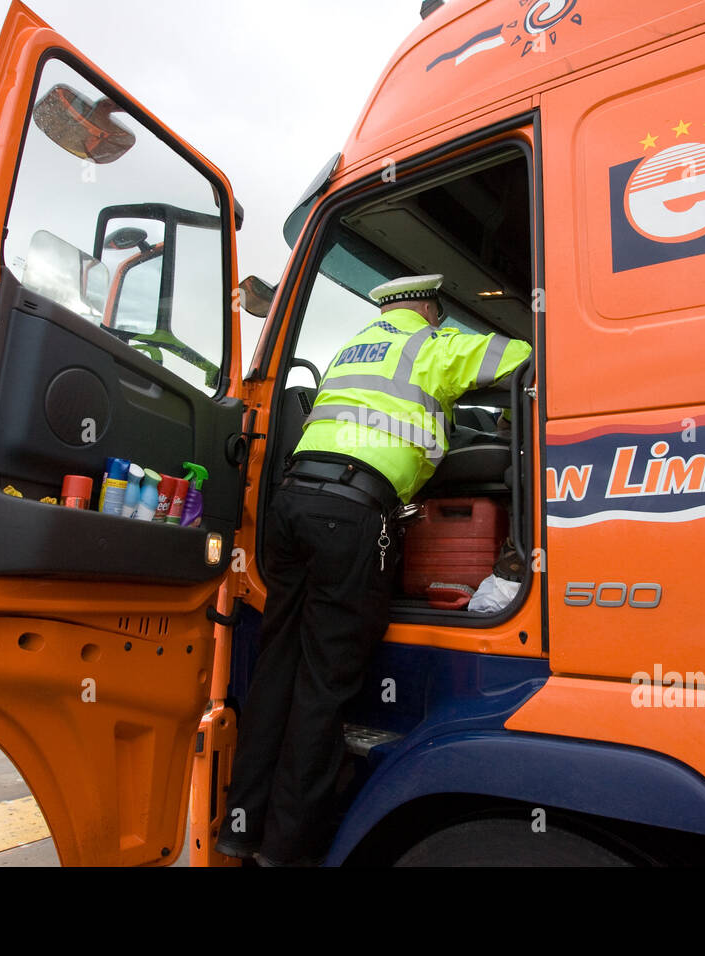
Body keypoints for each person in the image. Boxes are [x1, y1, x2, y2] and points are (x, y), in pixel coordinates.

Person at [215, 274, 531, 865]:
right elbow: (531, 359)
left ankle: (240, 825)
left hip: (289, 508)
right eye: (440, 312)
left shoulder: (352, 349)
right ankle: (286, 848)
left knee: (278, 668)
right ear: (431, 309)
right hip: (352, 515)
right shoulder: (435, 344)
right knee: (322, 686)